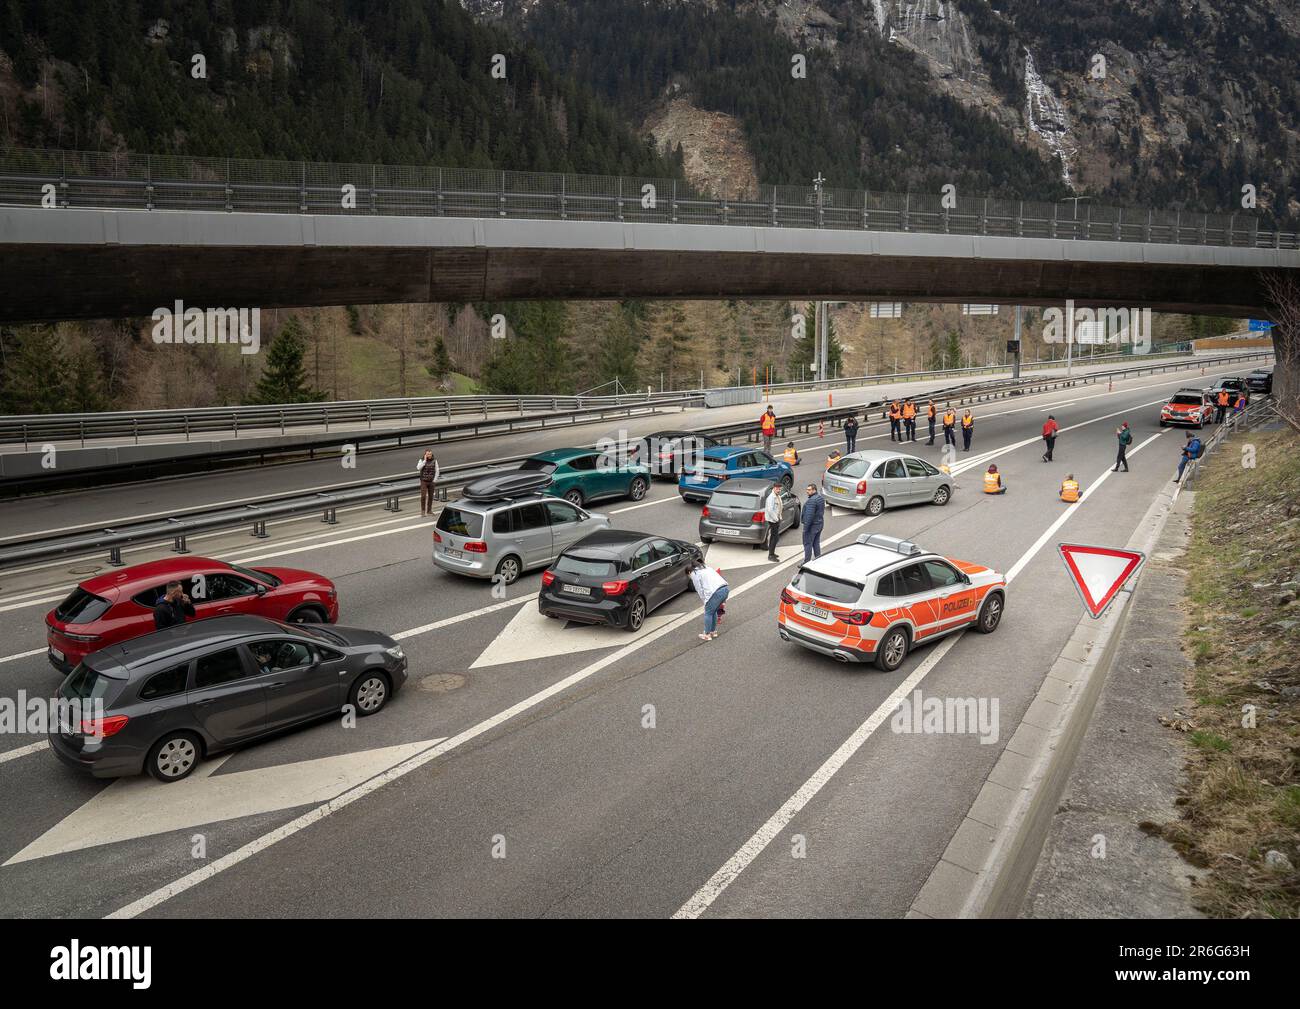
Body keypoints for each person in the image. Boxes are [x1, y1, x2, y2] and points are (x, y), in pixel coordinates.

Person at [690, 560, 729, 642]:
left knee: (708, 612)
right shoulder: (707, 568)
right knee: (713, 611)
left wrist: (705, 600)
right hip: (725, 589)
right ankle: (713, 631)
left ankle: (707, 634)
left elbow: (699, 588)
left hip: (715, 593)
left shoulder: (694, 573)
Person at [801, 483, 825, 561]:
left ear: (814, 490)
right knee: (816, 543)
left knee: (807, 544)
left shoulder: (811, 501)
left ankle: (806, 562)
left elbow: (809, 516)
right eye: (807, 489)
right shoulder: (820, 498)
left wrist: (805, 529)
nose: (807, 491)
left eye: (809, 490)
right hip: (819, 524)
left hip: (812, 526)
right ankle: (818, 560)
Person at [764, 481, 784, 561]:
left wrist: (780, 517)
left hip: (776, 519)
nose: (779, 490)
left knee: (775, 537)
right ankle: (770, 555)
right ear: (774, 488)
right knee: (774, 538)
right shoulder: (771, 497)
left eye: (779, 489)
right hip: (773, 520)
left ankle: (772, 553)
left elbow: (779, 507)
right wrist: (776, 519)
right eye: (777, 489)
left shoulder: (777, 496)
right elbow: (770, 510)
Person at [417, 449, 441, 515]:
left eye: (430, 454)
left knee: (431, 496)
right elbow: (418, 468)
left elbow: (437, 470)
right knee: (423, 496)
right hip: (424, 481)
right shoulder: (421, 460)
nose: (429, 455)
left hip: (431, 481)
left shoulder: (435, 460)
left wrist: (434, 480)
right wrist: (424, 461)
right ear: (425, 455)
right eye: (427, 454)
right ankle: (423, 511)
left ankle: (429, 510)